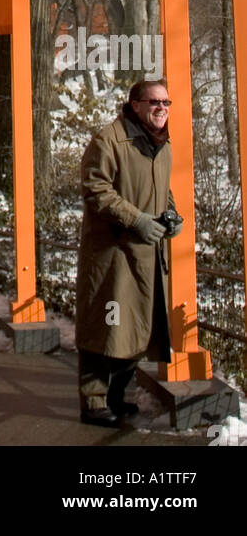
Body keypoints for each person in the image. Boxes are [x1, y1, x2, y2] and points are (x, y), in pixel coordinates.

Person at [75, 79, 182, 427]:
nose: (161, 108)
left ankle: (118, 397)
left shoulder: (162, 144)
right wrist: (136, 219)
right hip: (114, 258)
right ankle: (93, 403)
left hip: (148, 258)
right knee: (105, 328)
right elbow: (95, 189)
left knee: (139, 329)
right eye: (154, 102)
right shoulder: (109, 139)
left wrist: (171, 216)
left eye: (166, 102)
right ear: (134, 104)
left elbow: (162, 190)